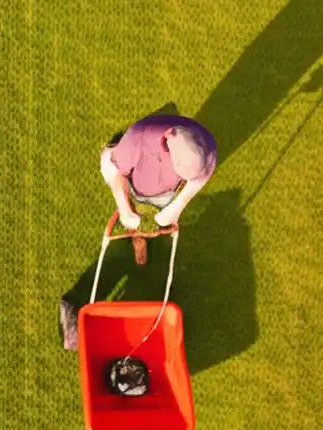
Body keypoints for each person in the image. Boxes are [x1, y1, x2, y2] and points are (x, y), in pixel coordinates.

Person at [59, 110, 218, 350]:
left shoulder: (205, 148)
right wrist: (124, 208)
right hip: (136, 179)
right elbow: (111, 167)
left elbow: (196, 181)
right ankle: (74, 306)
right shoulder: (140, 137)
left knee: (154, 211)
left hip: (166, 191)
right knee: (135, 205)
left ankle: (139, 236)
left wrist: (175, 208)